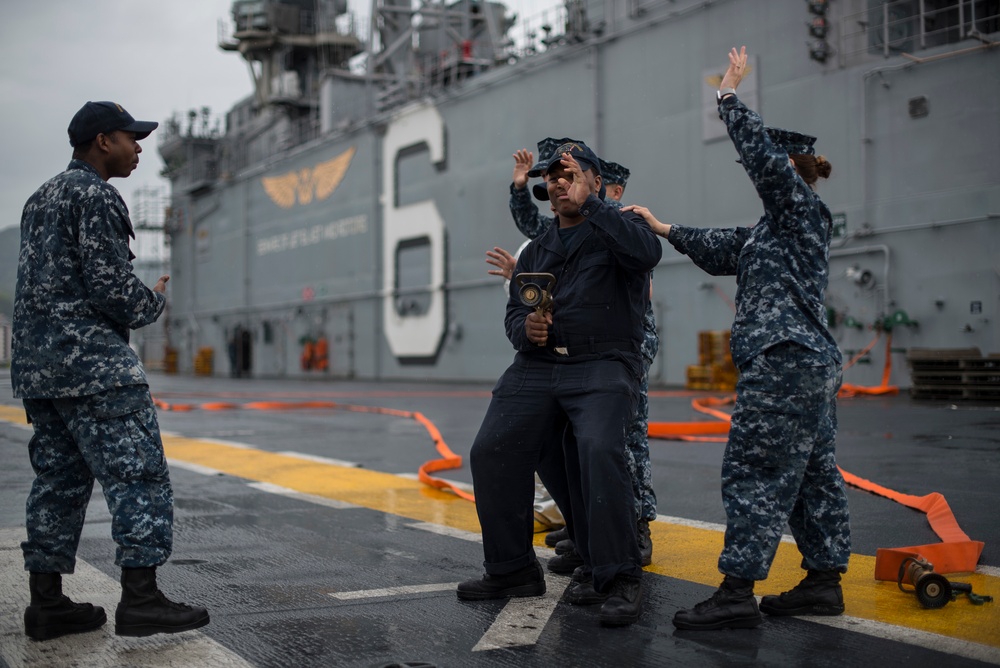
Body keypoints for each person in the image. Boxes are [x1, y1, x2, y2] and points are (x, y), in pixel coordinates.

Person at [626, 47, 849, 631]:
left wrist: (727, 94)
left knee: (754, 470)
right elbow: (723, 246)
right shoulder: (771, 231)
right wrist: (663, 228)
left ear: (787, 168)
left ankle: (734, 593)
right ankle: (824, 581)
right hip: (805, 363)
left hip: (784, 361)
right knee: (811, 473)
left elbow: (763, 164)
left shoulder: (800, 210)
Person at [12, 101, 210, 640]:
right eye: (131, 138)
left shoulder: (39, 197)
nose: (139, 147)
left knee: (57, 483)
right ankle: (142, 599)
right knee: (138, 475)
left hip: (38, 370)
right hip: (94, 368)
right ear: (103, 141)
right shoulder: (95, 194)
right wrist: (151, 302)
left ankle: (47, 604)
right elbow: (108, 286)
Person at [458, 141, 661, 627]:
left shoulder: (623, 226)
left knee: (598, 448)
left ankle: (619, 576)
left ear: (594, 180)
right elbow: (515, 310)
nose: (558, 182)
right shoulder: (539, 245)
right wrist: (525, 330)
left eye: (569, 174)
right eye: (551, 177)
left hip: (603, 364)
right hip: (538, 364)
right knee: (492, 449)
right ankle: (511, 570)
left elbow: (646, 253)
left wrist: (592, 205)